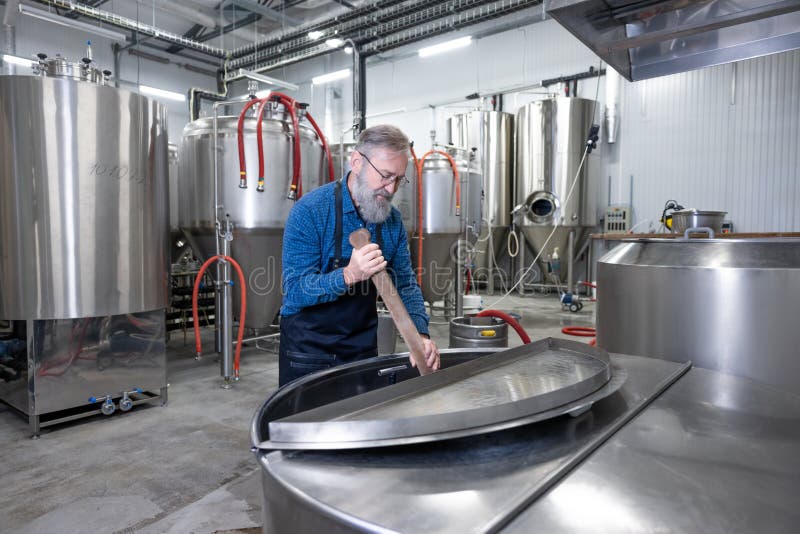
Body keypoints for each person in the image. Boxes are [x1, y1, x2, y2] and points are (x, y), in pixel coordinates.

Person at [278, 124, 440, 386]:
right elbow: (295, 289)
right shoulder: (310, 212)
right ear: (356, 162)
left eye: (399, 179)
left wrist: (420, 334)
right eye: (385, 176)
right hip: (308, 354)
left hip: (361, 350)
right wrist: (349, 275)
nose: (391, 189)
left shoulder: (392, 221)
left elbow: (405, 285)